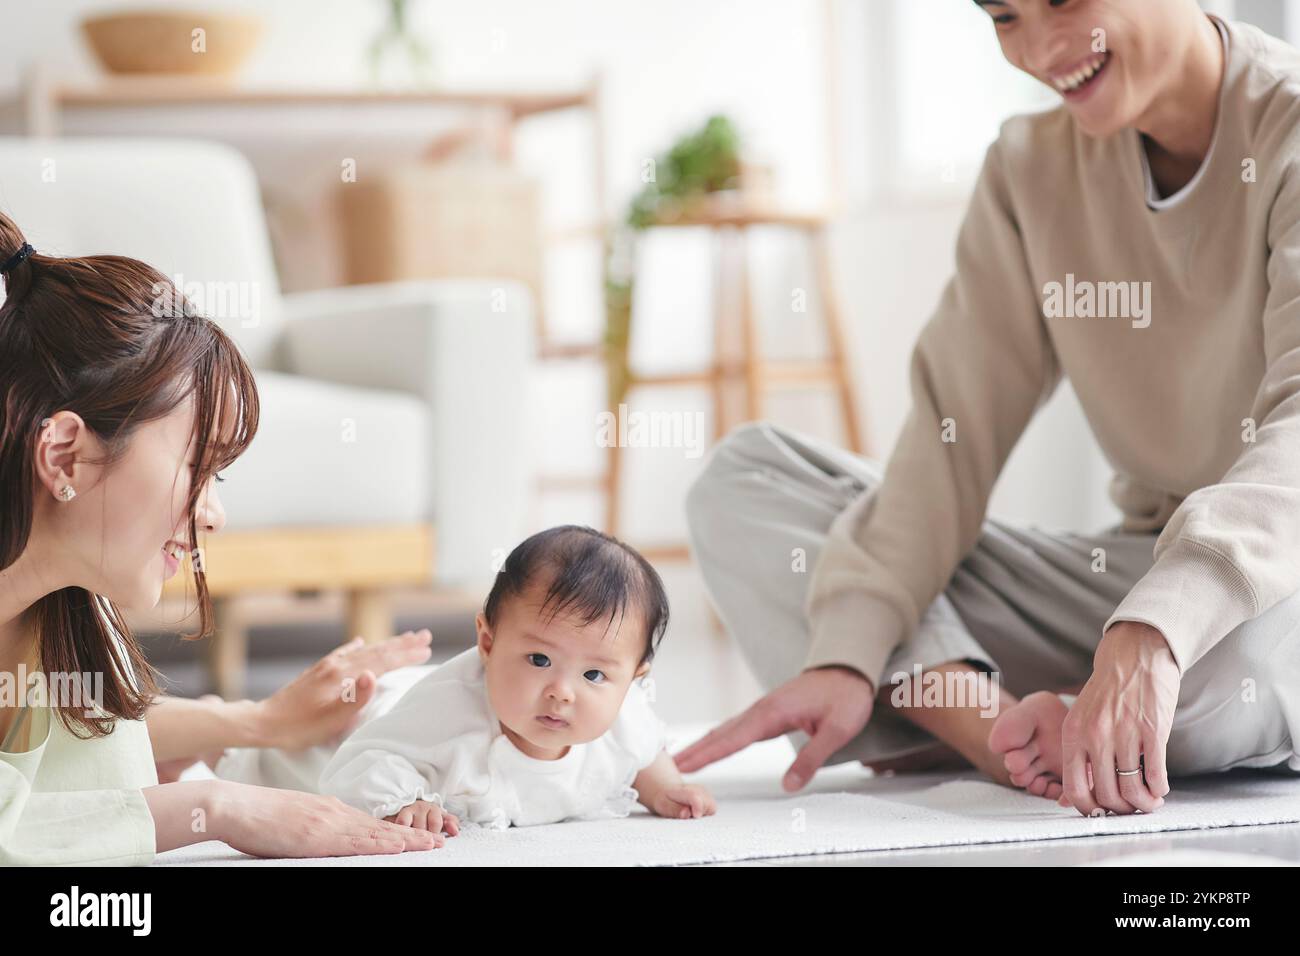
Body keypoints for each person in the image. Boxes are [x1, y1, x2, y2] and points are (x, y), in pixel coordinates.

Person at [677, 2, 1300, 818]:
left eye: (1064, 0)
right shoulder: (1027, 170)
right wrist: (846, 649)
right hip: (1124, 576)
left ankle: (1077, 709)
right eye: (1006, 17)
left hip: (1272, 590)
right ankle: (1005, 732)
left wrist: (1157, 629)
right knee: (746, 480)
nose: (1040, 49)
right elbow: (948, 442)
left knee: (1245, 657)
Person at [0, 211, 441, 863]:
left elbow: (84, 719)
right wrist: (213, 808)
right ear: (65, 455)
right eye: (197, 467)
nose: (213, 514)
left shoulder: (59, 605)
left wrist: (260, 723)